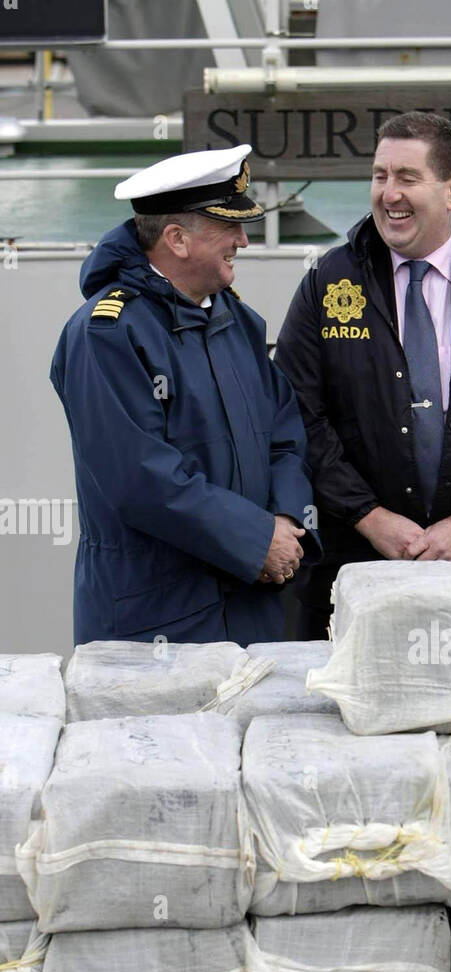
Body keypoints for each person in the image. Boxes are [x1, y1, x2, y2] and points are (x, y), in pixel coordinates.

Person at [275, 110, 451, 639]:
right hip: (349, 570)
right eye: (380, 176)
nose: (389, 193)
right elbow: (297, 415)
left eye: (407, 178)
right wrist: (368, 516)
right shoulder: (329, 281)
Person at [51, 143, 318, 644]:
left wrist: (286, 522)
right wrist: (257, 541)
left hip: (252, 611)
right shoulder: (106, 334)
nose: (243, 238)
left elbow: (285, 436)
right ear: (176, 238)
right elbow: (142, 479)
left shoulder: (234, 319)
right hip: (156, 621)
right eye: (229, 227)